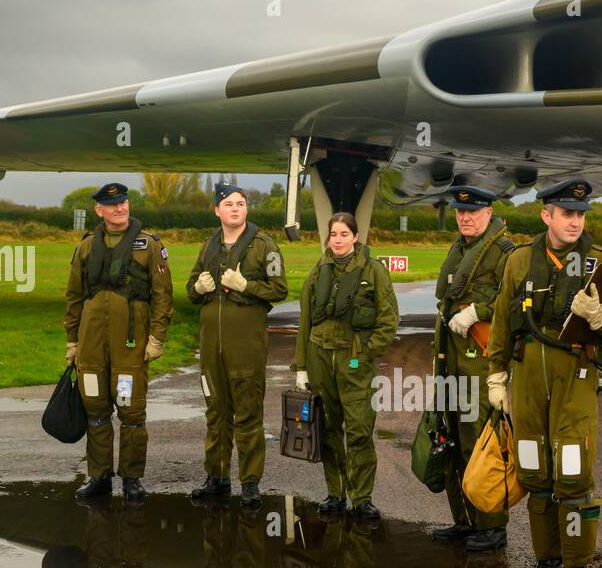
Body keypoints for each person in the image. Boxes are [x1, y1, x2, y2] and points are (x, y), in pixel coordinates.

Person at [487, 179, 602, 568]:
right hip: (529, 376)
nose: (575, 221)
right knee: (535, 474)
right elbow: (502, 320)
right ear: (546, 216)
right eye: (566, 213)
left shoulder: (601, 263)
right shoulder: (519, 261)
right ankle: (547, 567)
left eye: (580, 214)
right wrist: (496, 376)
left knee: (573, 479)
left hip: (575, 375)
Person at [64, 182, 174, 503]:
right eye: (112, 205)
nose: (120, 208)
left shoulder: (149, 245)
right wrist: (72, 340)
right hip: (91, 343)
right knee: (95, 408)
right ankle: (99, 476)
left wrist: (157, 337)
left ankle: (132, 478)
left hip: (131, 343)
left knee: (130, 411)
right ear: (100, 210)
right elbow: (73, 296)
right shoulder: (85, 247)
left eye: (123, 203)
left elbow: (163, 296)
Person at [187, 183, 288, 507]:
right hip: (212, 345)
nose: (235, 208)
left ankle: (250, 483)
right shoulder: (209, 246)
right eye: (228, 204)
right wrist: (199, 288)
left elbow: (279, 289)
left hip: (246, 343)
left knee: (247, 414)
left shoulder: (264, 246)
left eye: (241, 203)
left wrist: (246, 285)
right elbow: (190, 290)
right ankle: (216, 477)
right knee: (216, 414)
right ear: (217, 210)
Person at [294, 212, 399, 521]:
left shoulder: (373, 272)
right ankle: (335, 493)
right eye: (333, 234)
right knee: (327, 429)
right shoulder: (318, 272)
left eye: (343, 234)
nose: (337, 240)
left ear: (355, 237)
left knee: (359, 430)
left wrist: (366, 351)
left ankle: (362, 497)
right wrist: (302, 366)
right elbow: (305, 321)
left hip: (354, 362)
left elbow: (389, 317)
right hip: (320, 357)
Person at [430, 187, 515, 553]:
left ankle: (493, 527)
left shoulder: (503, 251)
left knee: (481, 443)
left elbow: (514, 297)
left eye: (473, 211)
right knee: (453, 441)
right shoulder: (460, 248)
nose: (465, 217)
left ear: (488, 212)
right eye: (460, 212)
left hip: (479, 362)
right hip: (452, 359)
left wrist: (478, 311)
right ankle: (464, 520)